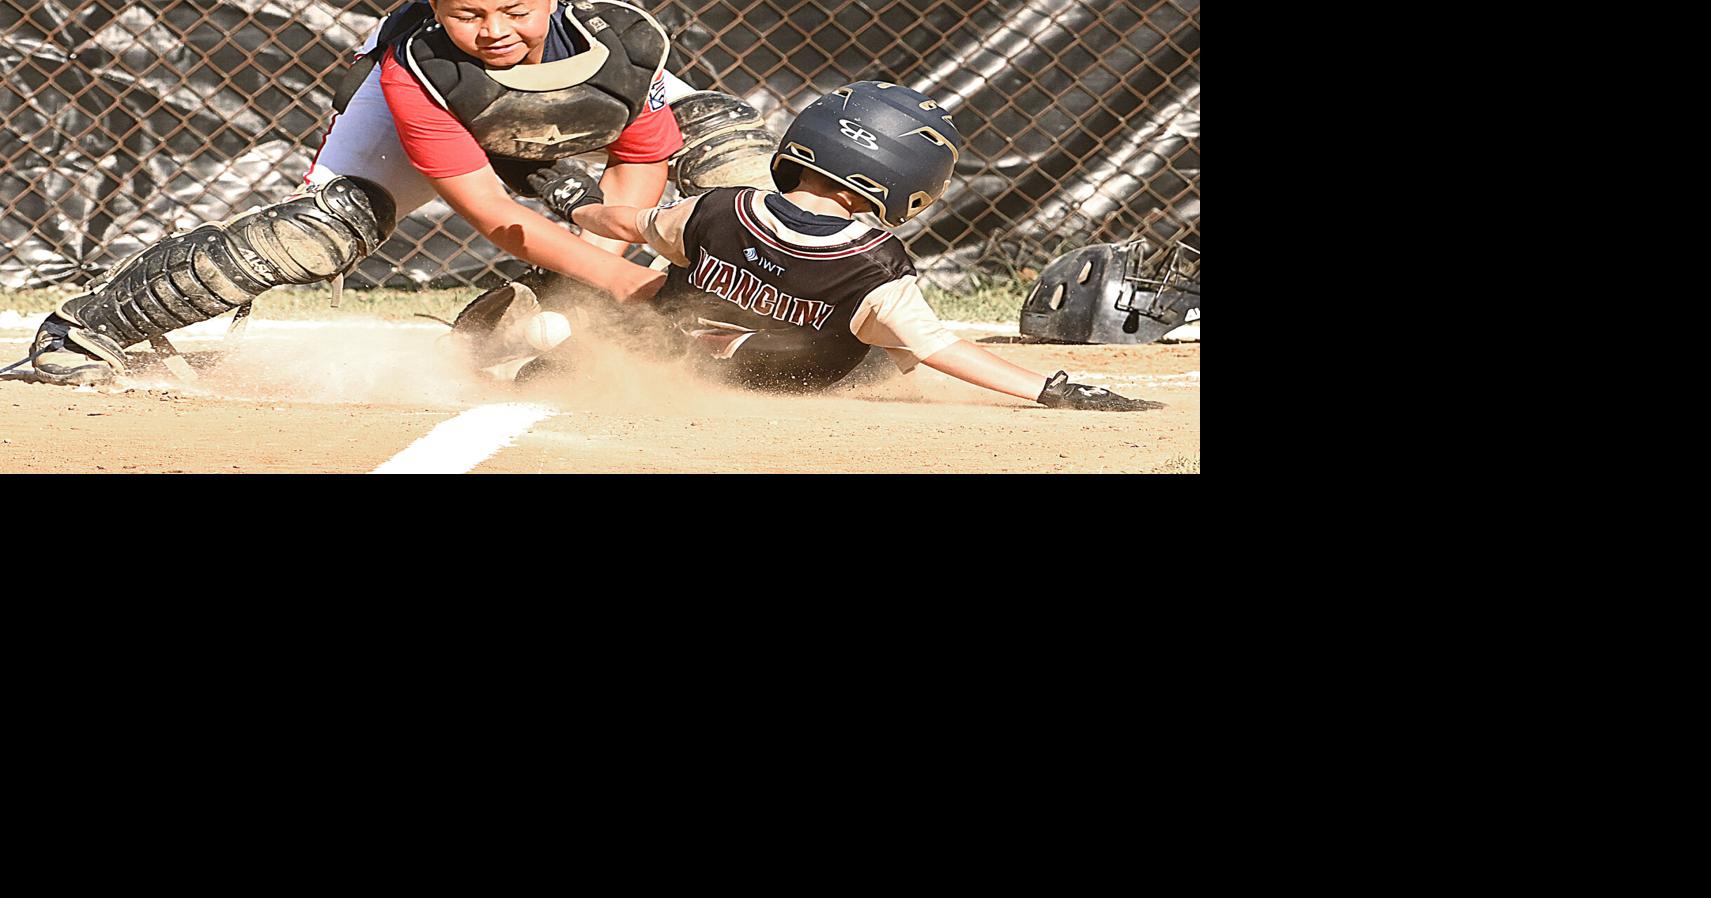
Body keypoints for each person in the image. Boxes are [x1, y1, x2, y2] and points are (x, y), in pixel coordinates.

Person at [14, 0, 686, 385]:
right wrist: (631, 288)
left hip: (565, 130)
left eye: (515, 8)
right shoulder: (422, 60)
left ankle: (765, 299)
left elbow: (642, 158)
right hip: (423, 123)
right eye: (468, 12)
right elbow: (490, 208)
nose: (494, 30)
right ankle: (87, 329)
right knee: (321, 231)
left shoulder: (618, 42)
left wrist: (600, 279)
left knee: (722, 141)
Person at [547, 80, 1163, 411]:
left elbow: (625, 225)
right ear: (909, 181)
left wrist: (575, 204)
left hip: (672, 351)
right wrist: (1047, 389)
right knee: (877, 349)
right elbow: (938, 349)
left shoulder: (718, 207)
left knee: (664, 283)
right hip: (776, 380)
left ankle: (546, 344)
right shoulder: (874, 265)